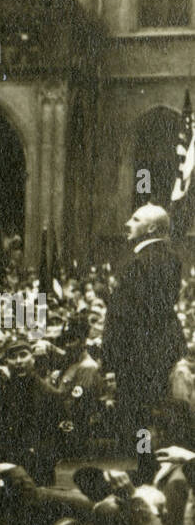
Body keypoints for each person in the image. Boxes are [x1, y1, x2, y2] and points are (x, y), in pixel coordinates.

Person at [103, 203, 185, 480]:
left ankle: (148, 468)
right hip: (158, 349)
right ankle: (152, 467)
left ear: (151, 228)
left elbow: (125, 316)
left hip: (137, 353)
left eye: (135, 219)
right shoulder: (169, 257)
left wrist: (112, 358)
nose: (127, 222)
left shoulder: (140, 261)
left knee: (140, 415)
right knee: (151, 413)